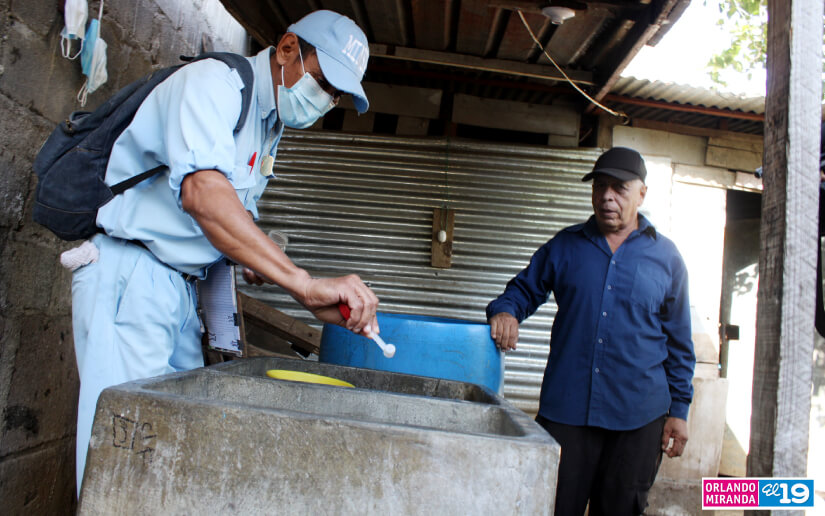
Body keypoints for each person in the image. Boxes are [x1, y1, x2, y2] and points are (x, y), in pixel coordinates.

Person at [69, 10, 378, 494]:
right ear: (287, 49)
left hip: (178, 289)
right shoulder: (215, 84)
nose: (325, 101)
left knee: (167, 447)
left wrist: (263, 263)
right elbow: (204, 195)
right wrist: (301, 281)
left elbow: (229, 222)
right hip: (133, 277)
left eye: (336, 95)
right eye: (323, 83)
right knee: (122, 455)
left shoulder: (267, 122)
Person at [486, 147, 695, 516]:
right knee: (552, 505)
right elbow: (522, 290)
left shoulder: (667, 258)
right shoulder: (565, 246)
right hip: (567, 409)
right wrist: (506, 312)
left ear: (641, 194)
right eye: (599, 186)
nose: (606, 197)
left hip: (639, 416)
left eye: (618, 188)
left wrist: (679, 410)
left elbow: (679, 343)